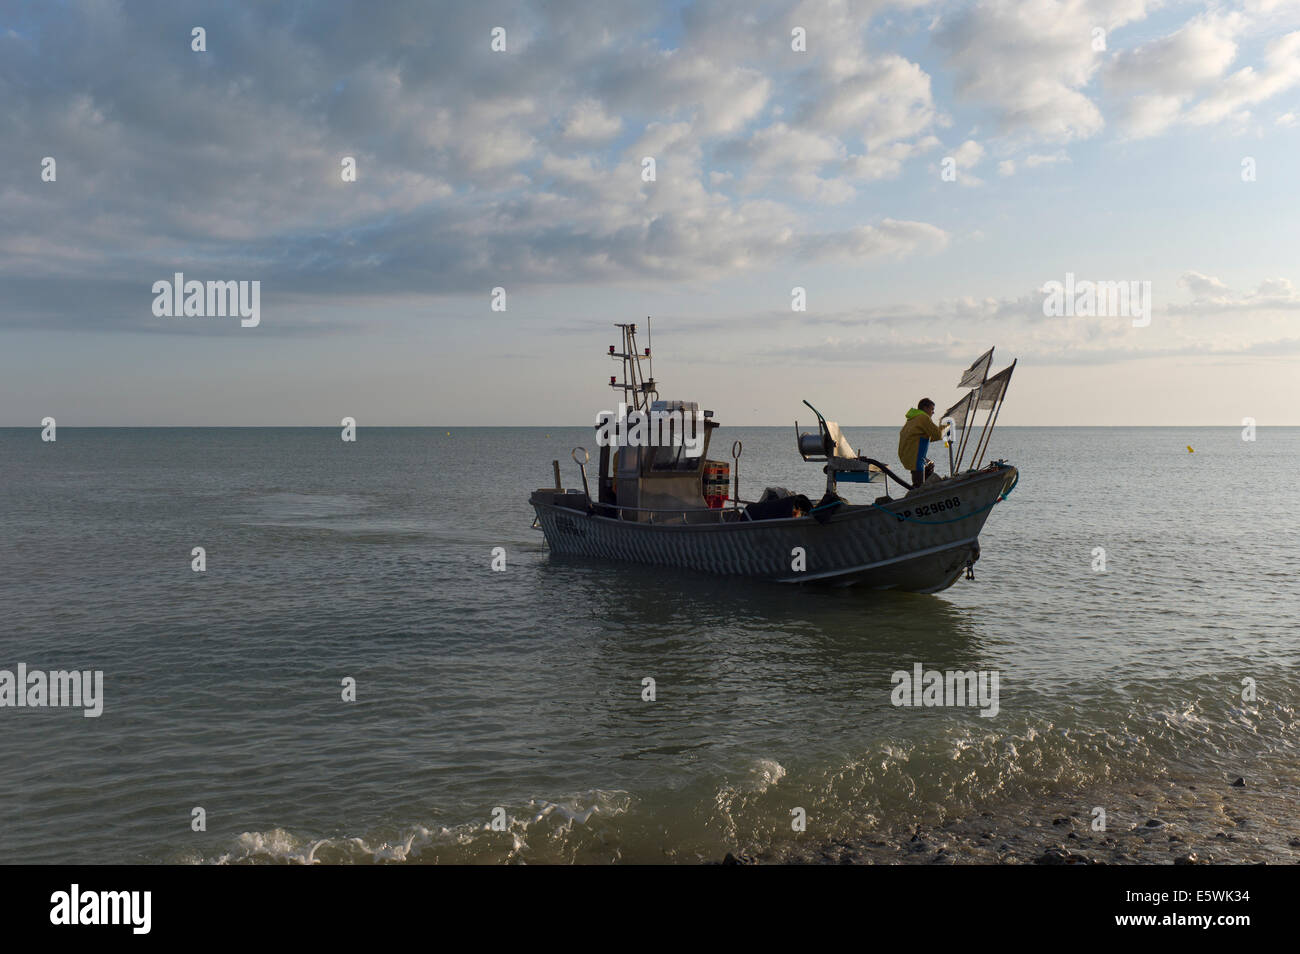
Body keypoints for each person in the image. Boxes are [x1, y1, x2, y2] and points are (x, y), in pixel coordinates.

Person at [898, 398, 942, 489]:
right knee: (918, 485)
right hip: (915, 456)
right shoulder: (923, 417)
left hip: (908, 453)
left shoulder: (913, 418)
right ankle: (920, 492)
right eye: (932, 409)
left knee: (930, 464)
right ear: (925, 408)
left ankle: (926, 486)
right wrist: (946, 428)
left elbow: (929, 436)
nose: (933, 412)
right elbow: (937, 435)